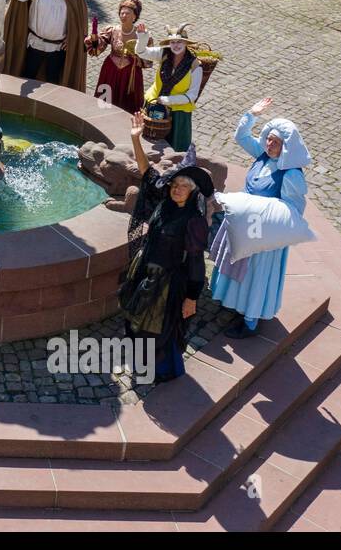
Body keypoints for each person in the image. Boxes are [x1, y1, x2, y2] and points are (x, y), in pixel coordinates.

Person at [119, 110, 213, 383]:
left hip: (169, 284)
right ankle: (143, 363)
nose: (177, 188)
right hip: (146, 273)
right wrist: (136, 139)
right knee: (137, 321)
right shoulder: (164, 200)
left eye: (184, 185)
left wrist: (191, 298)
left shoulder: (194, 222)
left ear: (194, 190)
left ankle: (162, 372)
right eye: (175, 183)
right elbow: (148, 173)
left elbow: (196, 262)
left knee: (158, 330)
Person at [212, 98, 312, 339]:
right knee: (236, 266)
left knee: (255, 276)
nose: (269, 144)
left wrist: (261, 210)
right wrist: (252, 114)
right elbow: (242, 137)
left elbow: (293, 211)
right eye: (268, 138)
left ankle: (250, 321)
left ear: (286, 146)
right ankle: (234, 304)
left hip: (263, 236)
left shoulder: (291, 175)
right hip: (243, 224)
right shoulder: (263, 155)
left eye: (275, 142)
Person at [3, 0, 90, 91]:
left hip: (57, 49)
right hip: (35, 45)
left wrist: (72, 36)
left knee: (53, 85)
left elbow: (79, 21)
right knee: (27, 78)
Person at [139, 23, 203, 152]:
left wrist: (169, 100)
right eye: (173, 42)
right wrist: (142, 37)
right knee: (149, 144)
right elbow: (141, 52)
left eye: (179, 42)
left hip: (178, 114)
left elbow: (192, 95)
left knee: (175, 151)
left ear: (186, 43)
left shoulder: (195, 66)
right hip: (154, 104)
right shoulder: (163, 53)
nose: (176, 45)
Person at [88, 0, 151, 114]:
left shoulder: (140, 34)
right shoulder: (112, 30)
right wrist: (95, 39)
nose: (124, 15)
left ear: (134, 17)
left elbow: (148, 57)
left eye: (127, 13)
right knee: (105, 100)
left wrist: (138, 52)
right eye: (122, 13)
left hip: (130, 74)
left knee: (128, 104)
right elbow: (99, 45)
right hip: (110, 70)